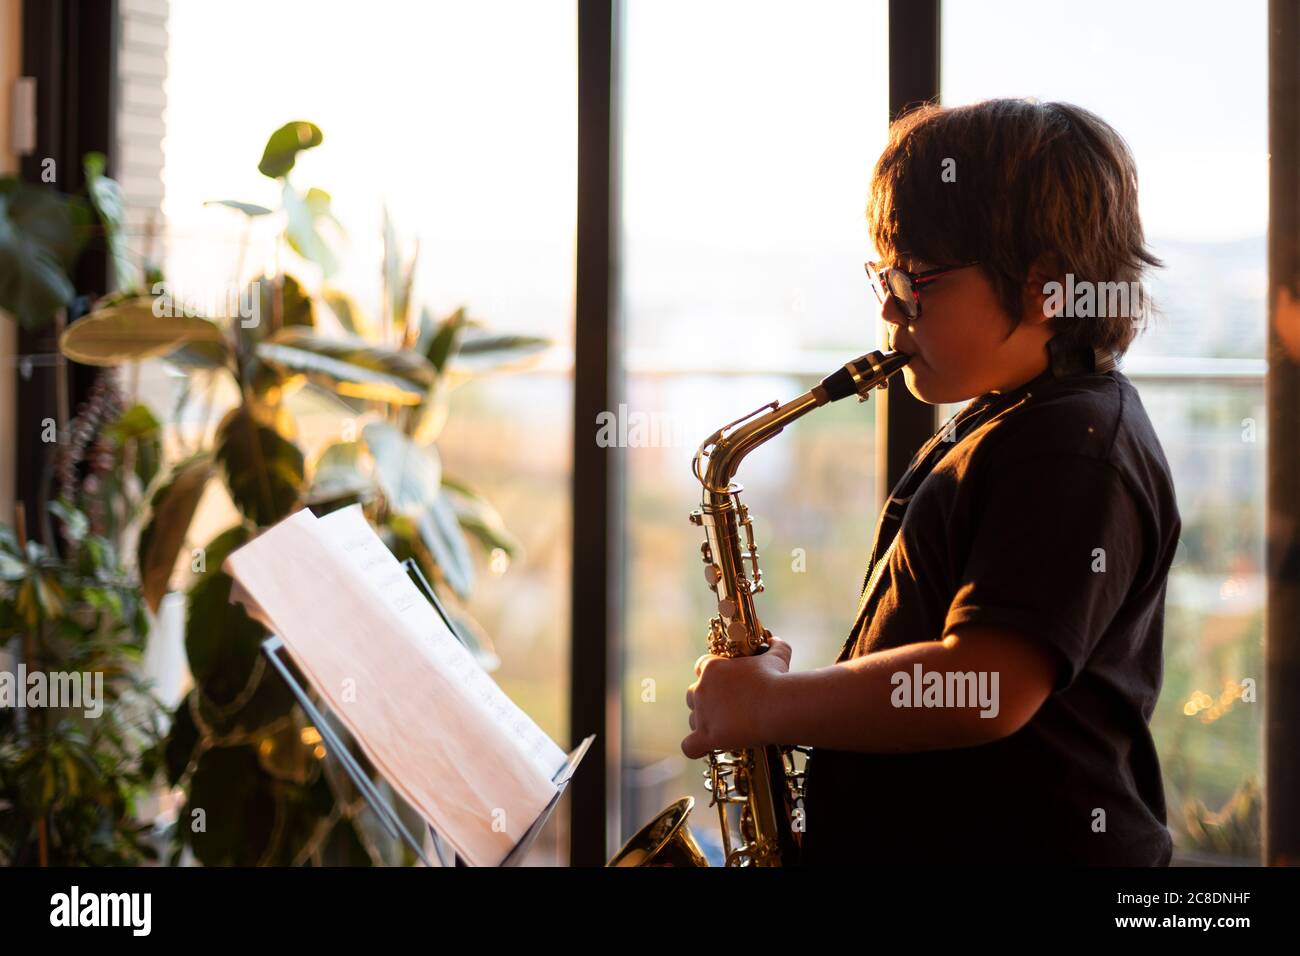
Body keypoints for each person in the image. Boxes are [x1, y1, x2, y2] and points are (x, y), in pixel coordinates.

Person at [681, 98, 1181, 866]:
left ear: (1047, 286)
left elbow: (986, 685)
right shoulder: (1007, 422)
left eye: (920, 278)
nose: (889, 305)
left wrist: (774, 704)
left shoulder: (1070, 446)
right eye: (885, 273)